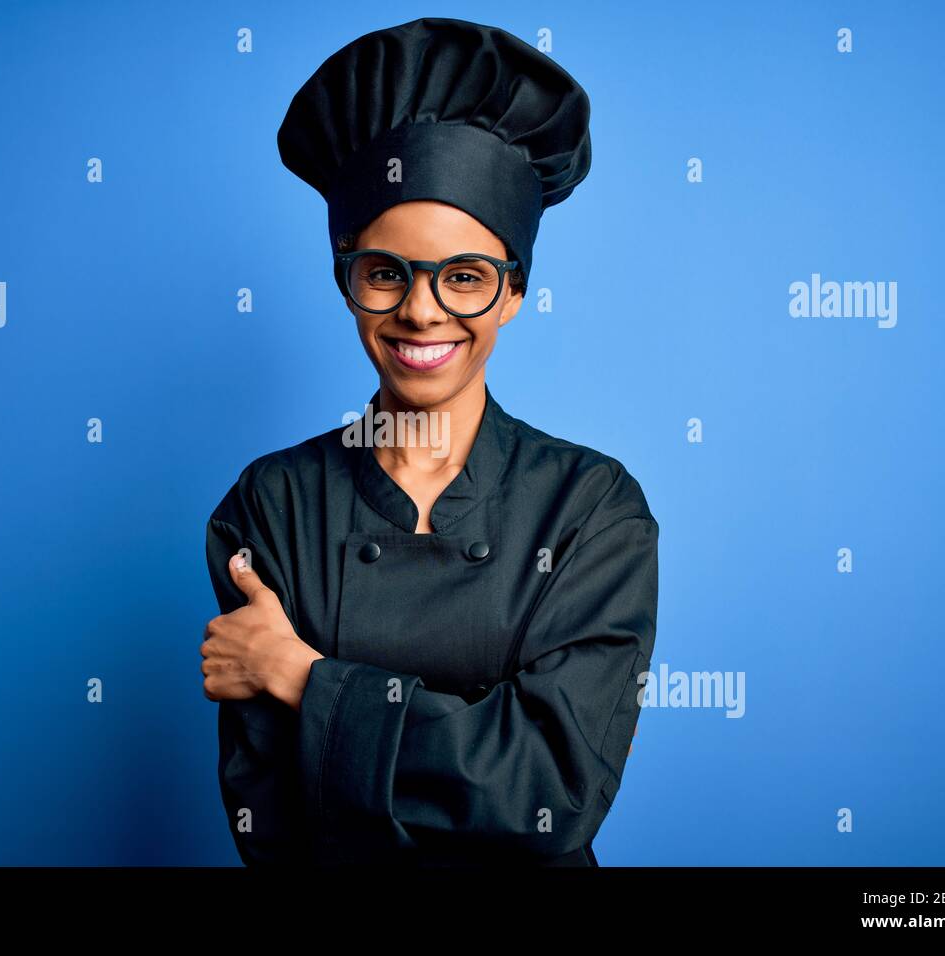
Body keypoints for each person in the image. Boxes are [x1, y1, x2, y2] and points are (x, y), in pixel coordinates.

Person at [201, 16, 659, 866]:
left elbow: (549, 795)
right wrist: (471, 745)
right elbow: (272, 821)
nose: (421, 310)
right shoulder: (272, 504)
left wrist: (304, 678)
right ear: (347, 283)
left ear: (514, 292)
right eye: (385, 272)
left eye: (464, 277)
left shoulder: (593, 509)